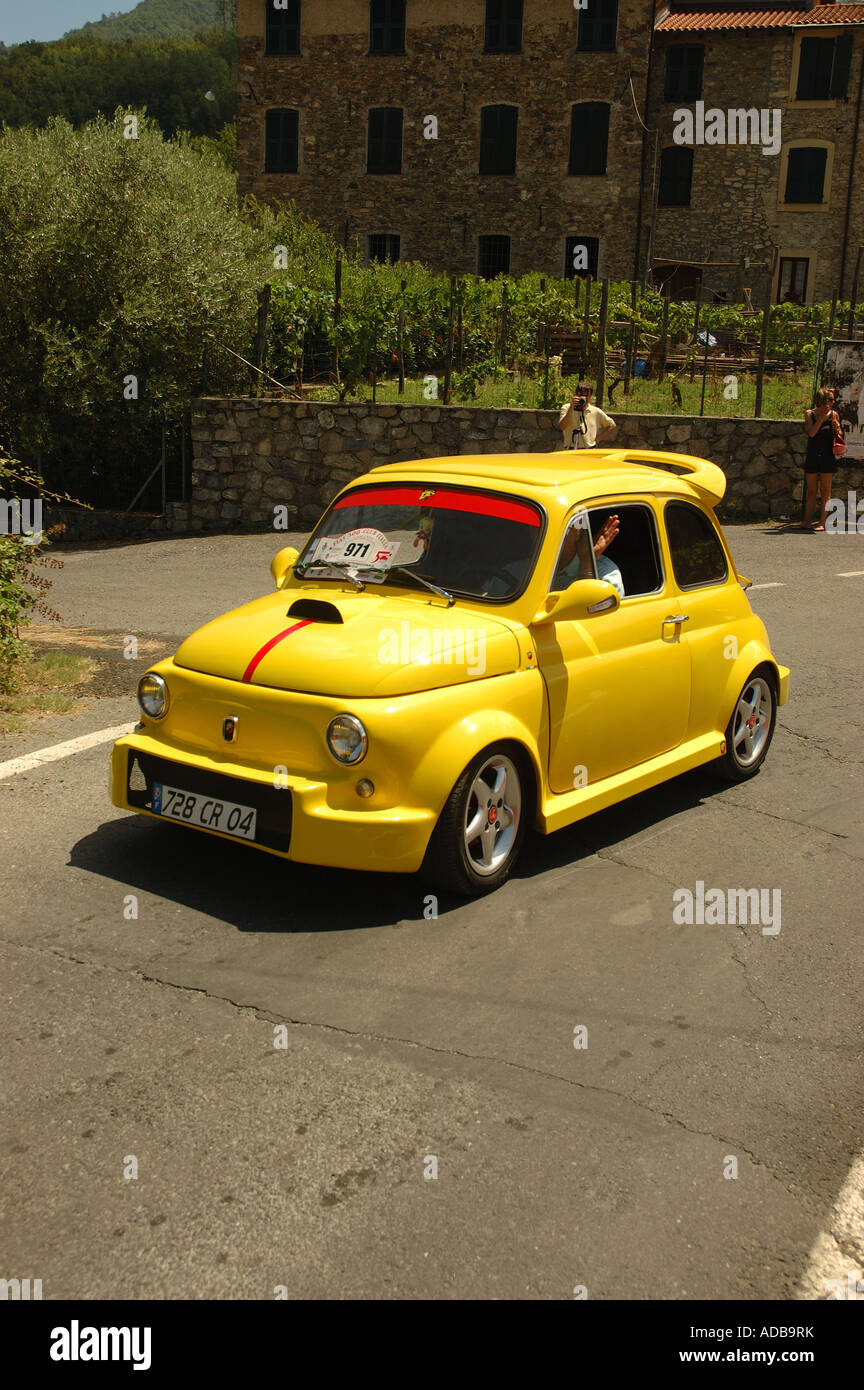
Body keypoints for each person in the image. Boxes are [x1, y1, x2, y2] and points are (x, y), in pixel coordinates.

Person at [552, 513, 624, 597]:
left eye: (554, 530)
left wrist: (586, 563)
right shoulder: (537, 559)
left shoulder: (604, 573)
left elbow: (586, 608)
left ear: (577, 530)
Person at [802, 387, 843, 530]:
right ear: (822, 400)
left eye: (833, 400)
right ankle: (806, 521)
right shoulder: (810, 414)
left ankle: (822, 522)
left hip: (827, 456)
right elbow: (811, 433)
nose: (832, 402)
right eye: (830, 399)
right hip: (813, 455)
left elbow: (838, 435)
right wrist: (821, 419)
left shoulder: (834, 415)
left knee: (826, 491)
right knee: (811, 491)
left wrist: (837, 428)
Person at [558, 382, 617, 450]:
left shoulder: (595, 411)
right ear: (576, 394)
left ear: (590, 396)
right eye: (581, 395)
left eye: (586, 396)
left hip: (589, 450)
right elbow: (562, 426)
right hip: (570, 449)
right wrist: (571, 408)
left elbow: (612, 425)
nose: (583, 398)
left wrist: (597, 439)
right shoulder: (566, 408)